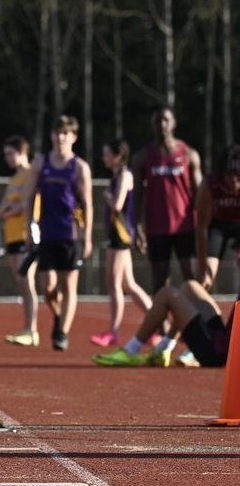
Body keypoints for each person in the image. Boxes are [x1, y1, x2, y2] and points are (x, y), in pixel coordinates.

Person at [22, 114, 93, 350]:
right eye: (57, 132)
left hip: (70, 235)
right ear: (52, 135)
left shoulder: (80, 167)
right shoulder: (41, 164)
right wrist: (29, 230)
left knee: (69, 286)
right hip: (46, 233)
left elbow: (87, 203)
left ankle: (62, 332)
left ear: (73, 137)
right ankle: (59, 316)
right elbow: (28, 198)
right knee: (48, 287)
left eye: (66, 133)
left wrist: (88, 236)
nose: (61, 137)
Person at [93, 260, 238, 368]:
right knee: (189, 287)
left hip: (217, 352)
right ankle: (164, 349)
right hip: (223, 340)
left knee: (166, 294)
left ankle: (130, 351)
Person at [132, 105, 203, 292]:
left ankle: (196, 320)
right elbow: (137, 195)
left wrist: (204, 226)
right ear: (152, 124)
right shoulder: (142, 157)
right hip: (157, 228)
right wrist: (137, 226)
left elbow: (201, 195)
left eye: (166, 120)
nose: (162, 124)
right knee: (160, 280)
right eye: (158, 120)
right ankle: (161, 321)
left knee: (192, 278)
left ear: (174, 123)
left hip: (185, 226)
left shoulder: (189, 154)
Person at [90, 139, 152, 347]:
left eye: (106, 153)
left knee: (114, 284)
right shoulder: (119, 175)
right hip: (120, 233)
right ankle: (157, 323)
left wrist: (107, 196)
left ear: (118, 156)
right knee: (129, 284)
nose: (103, 157)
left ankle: (114, 332)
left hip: (121, 234)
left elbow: (117, 204)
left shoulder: (125, 176)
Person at [0, 135, 40, 345]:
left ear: (22, 152)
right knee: (21, 284)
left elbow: (23, 205)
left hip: (27, 234)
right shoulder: (13, 179)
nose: (7, 158)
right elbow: (2, 209)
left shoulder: (31, 174)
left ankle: (32, 330)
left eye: (10, 153)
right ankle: (27, 328)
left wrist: (11, 209)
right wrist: (10, 209)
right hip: (12, 234)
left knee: (27, 281)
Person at [195, 142, 240, 291]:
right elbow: (202, 228)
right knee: (205, 277)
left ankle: (237, 314)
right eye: (229, 174)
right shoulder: (209, 185)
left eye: (238, 175)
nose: (234, 180)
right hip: (218, 225)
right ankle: (199, 312)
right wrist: (202, 269)